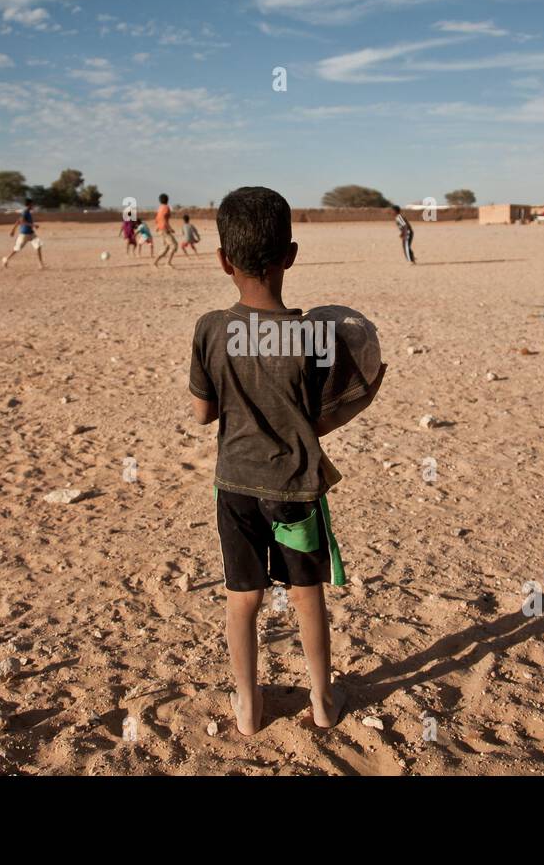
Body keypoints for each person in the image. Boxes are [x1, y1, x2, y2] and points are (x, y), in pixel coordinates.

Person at [188, 186, 387, 736]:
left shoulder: (210, 328)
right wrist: (363, 393)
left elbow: (203, 413)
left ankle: (249, 708)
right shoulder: (314, 336)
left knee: (242, 598)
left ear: (223, 259)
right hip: (295, 489)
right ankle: (323, 701)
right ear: (291, 255)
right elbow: (318, 418)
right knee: (306, 595)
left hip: (236, 487)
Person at [2, 199, 43, 269]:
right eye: (32, 204)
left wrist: (13, 230)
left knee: (38, 246)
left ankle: (41, 264)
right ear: (29, 205)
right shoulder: (25, 212)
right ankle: (6, 259)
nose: (33, 205)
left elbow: (18, 221)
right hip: (24, 234)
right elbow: (22, 221)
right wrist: (33, 225)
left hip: (31, 233)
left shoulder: (28, 212)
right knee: (17, 249)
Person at [153, 193, 178, 267]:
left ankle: (155, 262)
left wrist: (158, 226)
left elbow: (157, 218)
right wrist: (169, 228)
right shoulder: (166, 207)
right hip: (164, 228)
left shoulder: (160, 208)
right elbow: (164, 218)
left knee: (166, 247)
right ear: (167, 200)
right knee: (174, 245)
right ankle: (167, 263)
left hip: (161, 229)